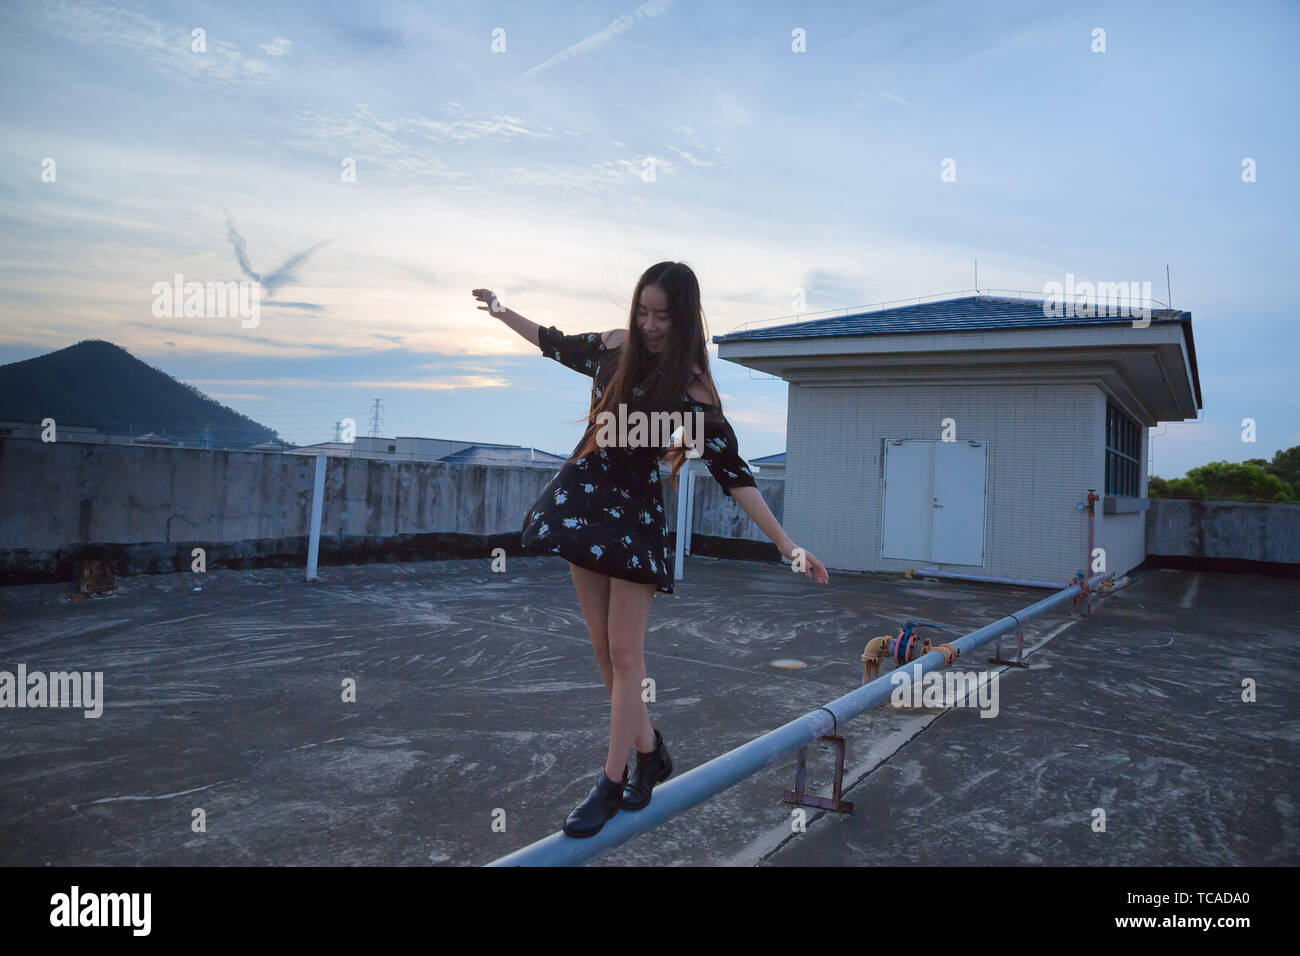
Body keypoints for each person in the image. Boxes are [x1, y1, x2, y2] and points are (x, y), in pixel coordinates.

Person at [472, 262, 828, 839]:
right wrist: (501, 309)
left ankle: (612, 781)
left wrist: (786, 544)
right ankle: (652, 750)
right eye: (643, 311)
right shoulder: (613, 349)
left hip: (633, 521)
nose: (650, 325)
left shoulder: (691, 388)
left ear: (684, 317)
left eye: (663, 315)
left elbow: (734, 473)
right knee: (604, 654)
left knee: (627, 655)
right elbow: (553, 344)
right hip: (584, 506)